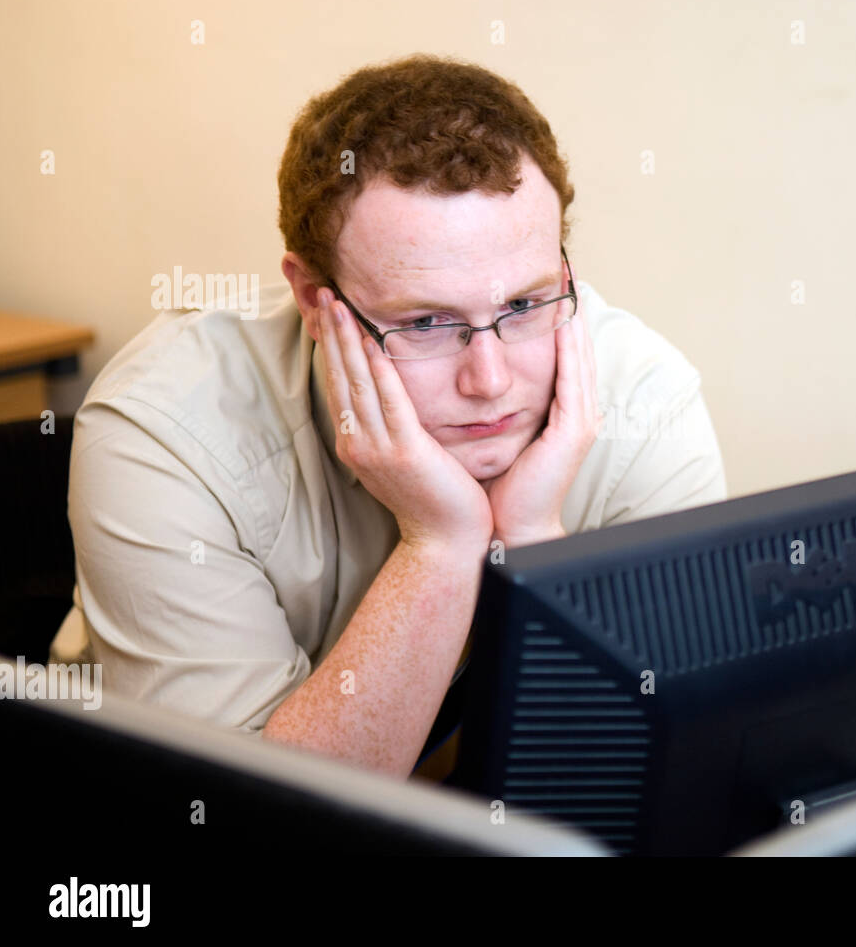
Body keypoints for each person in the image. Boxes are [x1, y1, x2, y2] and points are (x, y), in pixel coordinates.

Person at [47, 54, 727, 779]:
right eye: (427, 322)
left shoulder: (644, 402)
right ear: (314, 298)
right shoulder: (164, 432)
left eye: (525, 305)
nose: (490, 380)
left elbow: (660, 775)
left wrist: (534, 545)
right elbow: (248, 825)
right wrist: (440, 545)